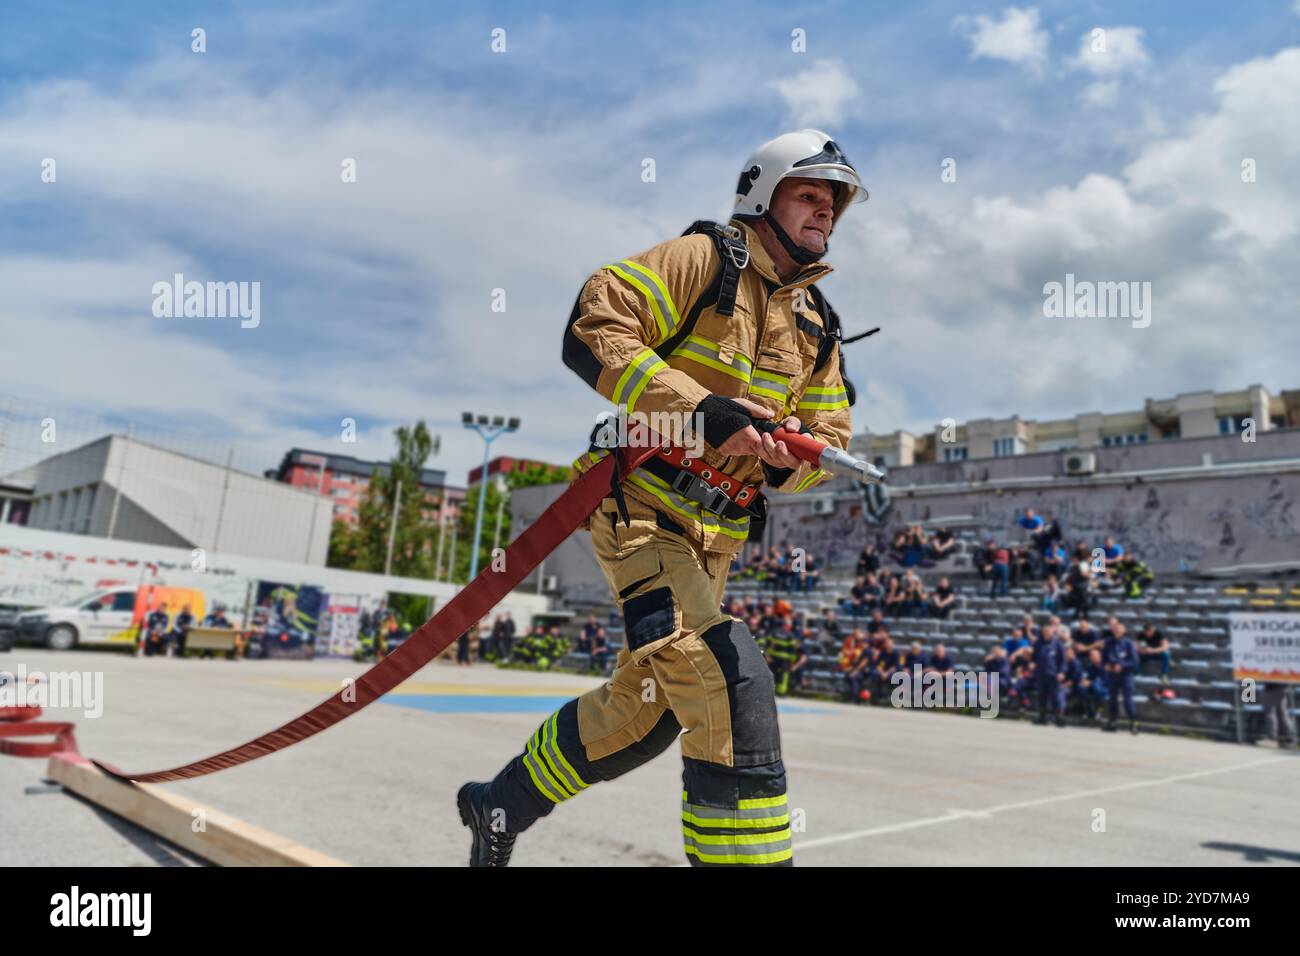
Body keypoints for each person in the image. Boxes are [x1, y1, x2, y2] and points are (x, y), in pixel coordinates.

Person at [460, 129, 866, 867]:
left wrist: (786, 460)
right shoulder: (705, 259)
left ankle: (498, 806)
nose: (825, 211)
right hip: (642, 510)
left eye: (834, 201)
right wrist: (697, 407)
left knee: (644, 713)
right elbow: (596, 322)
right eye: (809, 193)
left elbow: (829, 433)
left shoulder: (819, 326)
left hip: (717, 540)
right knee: (724, 674)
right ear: (761, 194)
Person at [1102, 622, 1140, 734]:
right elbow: (1104, 658)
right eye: (1115, 629)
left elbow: (1135, 660)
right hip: (1112, 675)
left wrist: (1122, 665)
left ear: (1124, 631)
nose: (1117, 631)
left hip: (1125, 676)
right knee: (1112, 700)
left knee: (1128, 700)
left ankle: (1134, 724)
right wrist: (1106, 665)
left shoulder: (1128, 643)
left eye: (1119, 629)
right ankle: (1112, 723)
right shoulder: (1108, 642)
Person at [1032, 620, 1067, 727]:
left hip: (1053, 675)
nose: (1047, 633)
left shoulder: (1058, 644)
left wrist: (1061, 672)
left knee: (1055, 697)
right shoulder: (1038, 643)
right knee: (1042, 696)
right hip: (1041, 674)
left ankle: (1058, 718)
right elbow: (1034, 657)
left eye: (1049, 632)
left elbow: (1063, 661)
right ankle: (1042, 717)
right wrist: (1032, 663)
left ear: (1053, 632)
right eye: (1045, 632)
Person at [1261, 683, 1297, 749]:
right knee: (1282, 713)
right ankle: (1290, 737)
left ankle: (1272, 738)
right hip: (1282, 687)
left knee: (1270, 713)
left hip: (1272, 687)